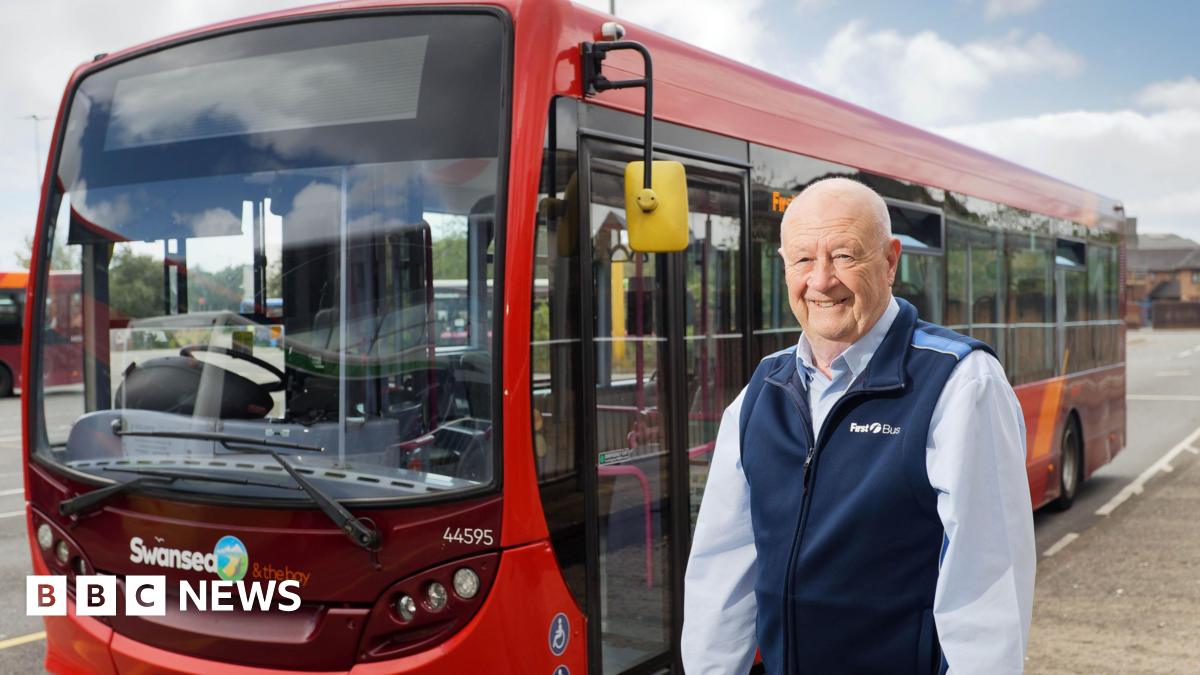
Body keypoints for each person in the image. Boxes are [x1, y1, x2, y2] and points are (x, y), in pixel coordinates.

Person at [681, 178, 1035, 674]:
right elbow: (721, 574)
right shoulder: (759, 393)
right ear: (784, 265)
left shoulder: (959, 384)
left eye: (845, 256)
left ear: (891, 261)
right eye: (803, 259)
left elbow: (989, 586)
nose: (822, 280)